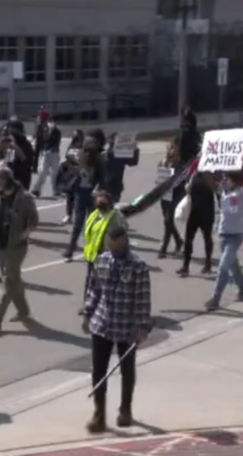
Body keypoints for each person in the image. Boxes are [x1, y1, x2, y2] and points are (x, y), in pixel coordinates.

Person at [81, 225, 152, 433]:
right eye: (110, 243)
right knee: (99, 371)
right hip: (102, 323)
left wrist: (142, 327)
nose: (113, 247)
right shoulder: (101, 261)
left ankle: (125, 410)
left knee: (127, 370)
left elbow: (142, 300)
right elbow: (94, 290)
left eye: (117, 242)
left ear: (124, 240)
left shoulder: (138, 266)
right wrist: (88, 313)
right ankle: (99, 414)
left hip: (126, 326)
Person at [0, 167, 39, 330]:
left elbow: (34, 220)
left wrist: (25, 234)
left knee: (8, 280)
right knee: (13, 280)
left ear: (7, 180)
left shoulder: (24, 198)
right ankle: (23, 311)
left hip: (16, 247)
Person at [206, 169, 243, 310]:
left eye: (228, 178)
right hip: (223, 233)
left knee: (223, 266)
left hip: (235, 236)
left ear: (235, 180)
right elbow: (211, 184)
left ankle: (215, 299)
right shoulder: (224, 191)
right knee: (233, 265)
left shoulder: (242, 193)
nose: (225, 180)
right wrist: (205, 167)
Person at [63, 139, 106, 261]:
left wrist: (97, 189)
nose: (87, 154)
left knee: (92, 224)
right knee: (78, 223)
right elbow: (69, 159)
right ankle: (70, 250)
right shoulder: (80, 160)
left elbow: (102, 180)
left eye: (90, 152)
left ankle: (96, 249)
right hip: (80, 193)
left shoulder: (98, 163)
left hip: (92, 195)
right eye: (85, 151)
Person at [81, 188, 127, 302]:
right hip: (93, 254)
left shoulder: (115, 216)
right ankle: (87, 303)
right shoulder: (94, 215)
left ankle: (104, 304)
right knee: (90, 282)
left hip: (107, 255)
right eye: (98, 200)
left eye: (102, 201)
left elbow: (122, 232)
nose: (99, 203)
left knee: (106, 283)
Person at [177, 170, 216, 277]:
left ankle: (208, 263)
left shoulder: (211, 175)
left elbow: (216, 190)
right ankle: (185, 266)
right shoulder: (195, 174)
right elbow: (189, 189)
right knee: (188, 239)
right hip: (194, 212)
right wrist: (188, 188)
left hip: (207, 212)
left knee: (207, 238)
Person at [157, 141, 184, 259]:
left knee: (167, 221)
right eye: (169, 147)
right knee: (168, 221)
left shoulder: (180, 164)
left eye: (174, 148)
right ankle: (178, 240)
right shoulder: (162, 162)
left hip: (176, 194)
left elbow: (182, 180)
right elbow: (159, 177)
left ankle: (163, 248)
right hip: (164, 195)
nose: (171, 150)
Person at [0, 119, 35, 190]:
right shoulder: (3, 141)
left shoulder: (25, 144)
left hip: (20, 178)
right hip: (4, 179)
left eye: (14, 131)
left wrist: (15, 146)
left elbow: (27, 161)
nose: (11, 133)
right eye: (10, 130)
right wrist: (0, 146)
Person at [103, 132, 139, 203]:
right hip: (106, 186)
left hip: (116, 186)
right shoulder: (108, 153)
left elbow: (132, 162)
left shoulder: (120, 154)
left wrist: (135, 150)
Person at [59, 130, 86, 224]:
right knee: (69, 195)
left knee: (79, 197)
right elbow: (67, 158)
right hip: (70, 174)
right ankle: (68, 216)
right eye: (74, 137)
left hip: (80, 174)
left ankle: (80, 217)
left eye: (77, 136)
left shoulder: (84, 148)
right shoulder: (71, 147)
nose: (75, 138)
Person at [32, 116, 62, 197]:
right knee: (42, 171)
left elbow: (56, 142)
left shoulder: (57, 132)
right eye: (50, 122)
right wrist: (48, 131)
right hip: (45, 153)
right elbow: (43, 140)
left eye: (54, 122)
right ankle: (36, 190)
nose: (52, 124)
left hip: (54, 154)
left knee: (54, 173)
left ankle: (56, 190)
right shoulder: (44, 131)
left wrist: (52, 131)